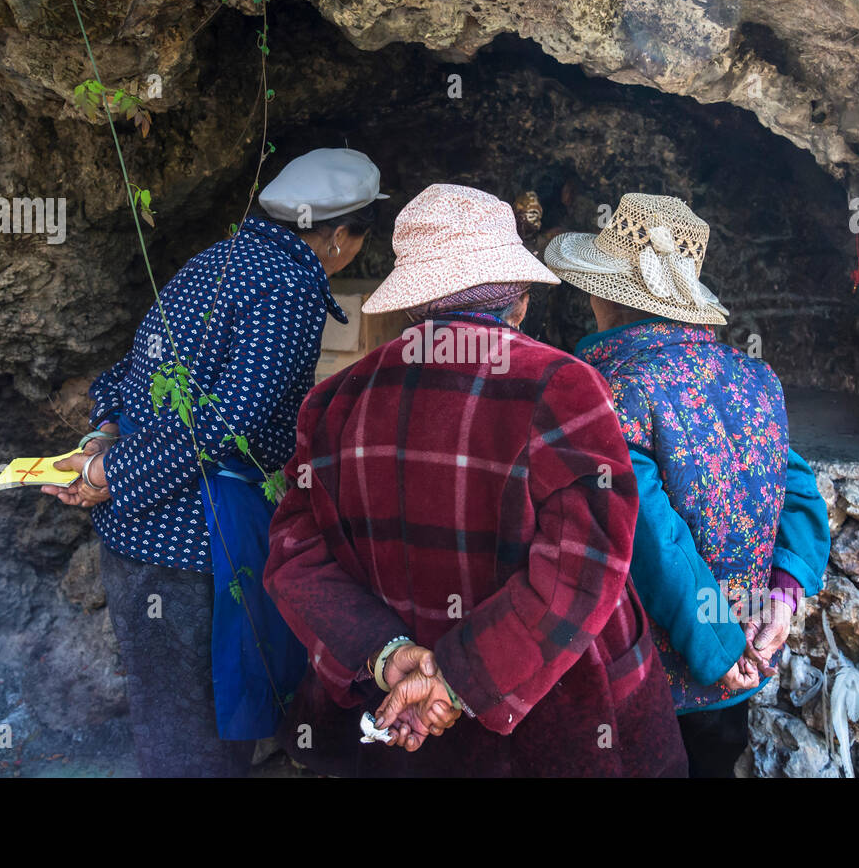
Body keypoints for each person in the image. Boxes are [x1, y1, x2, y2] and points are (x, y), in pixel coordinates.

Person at [263, 183, 687, 777]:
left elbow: (293, 556)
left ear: (414, 305)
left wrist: (389, 657)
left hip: (397, 726)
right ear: (518, 302)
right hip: (550, 716)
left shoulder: (333, 402)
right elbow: (587, 566)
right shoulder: (563, 387)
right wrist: (455, 679)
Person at [42, 148, 387, 776]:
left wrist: (102, 441)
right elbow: (228, 425)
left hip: (132, 536)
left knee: (166, 710)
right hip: (192, 547)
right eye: (360, 236)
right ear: (339, 235)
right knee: (201, 723)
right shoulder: (291, 287)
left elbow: (129, 374)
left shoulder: (213, 262)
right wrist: (107, 472)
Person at [545, 193, 830, 777]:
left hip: (651, 670)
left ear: (601, 294)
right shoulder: (755, 376)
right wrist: (782, 596)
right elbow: (797, 487)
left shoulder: (605, 390)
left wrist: (714, 647)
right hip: (744, 659)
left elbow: (647, 529)